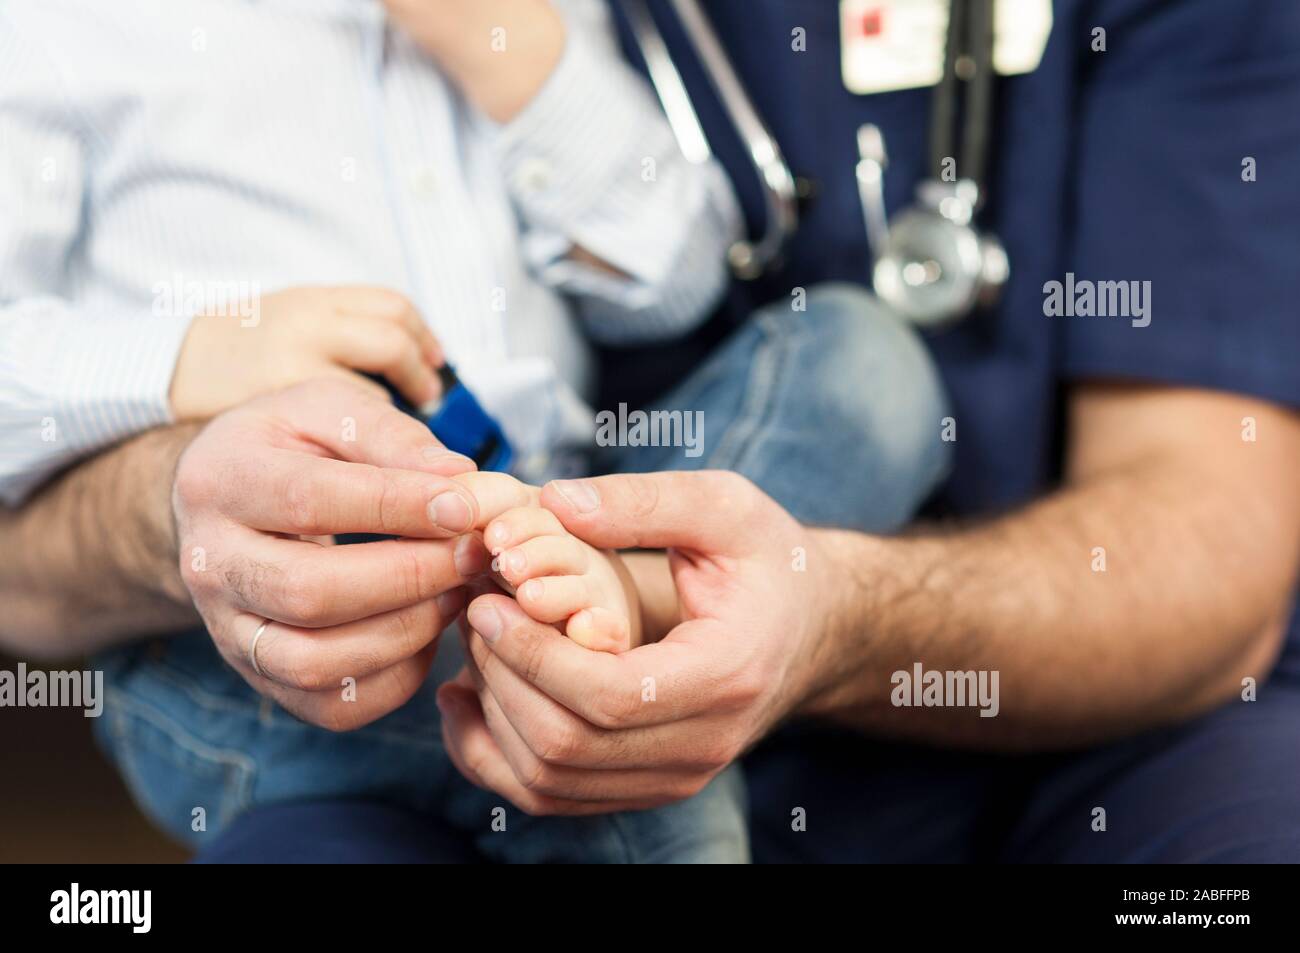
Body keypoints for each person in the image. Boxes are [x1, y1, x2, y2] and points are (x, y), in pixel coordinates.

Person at [0, 0, 949, 861]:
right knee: (621, 781)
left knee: (865, 359)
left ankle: (621, 603)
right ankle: (599, 670)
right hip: (282, 620)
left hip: (574, 507)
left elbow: (673, 285)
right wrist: (181, 357)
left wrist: (514, 54)